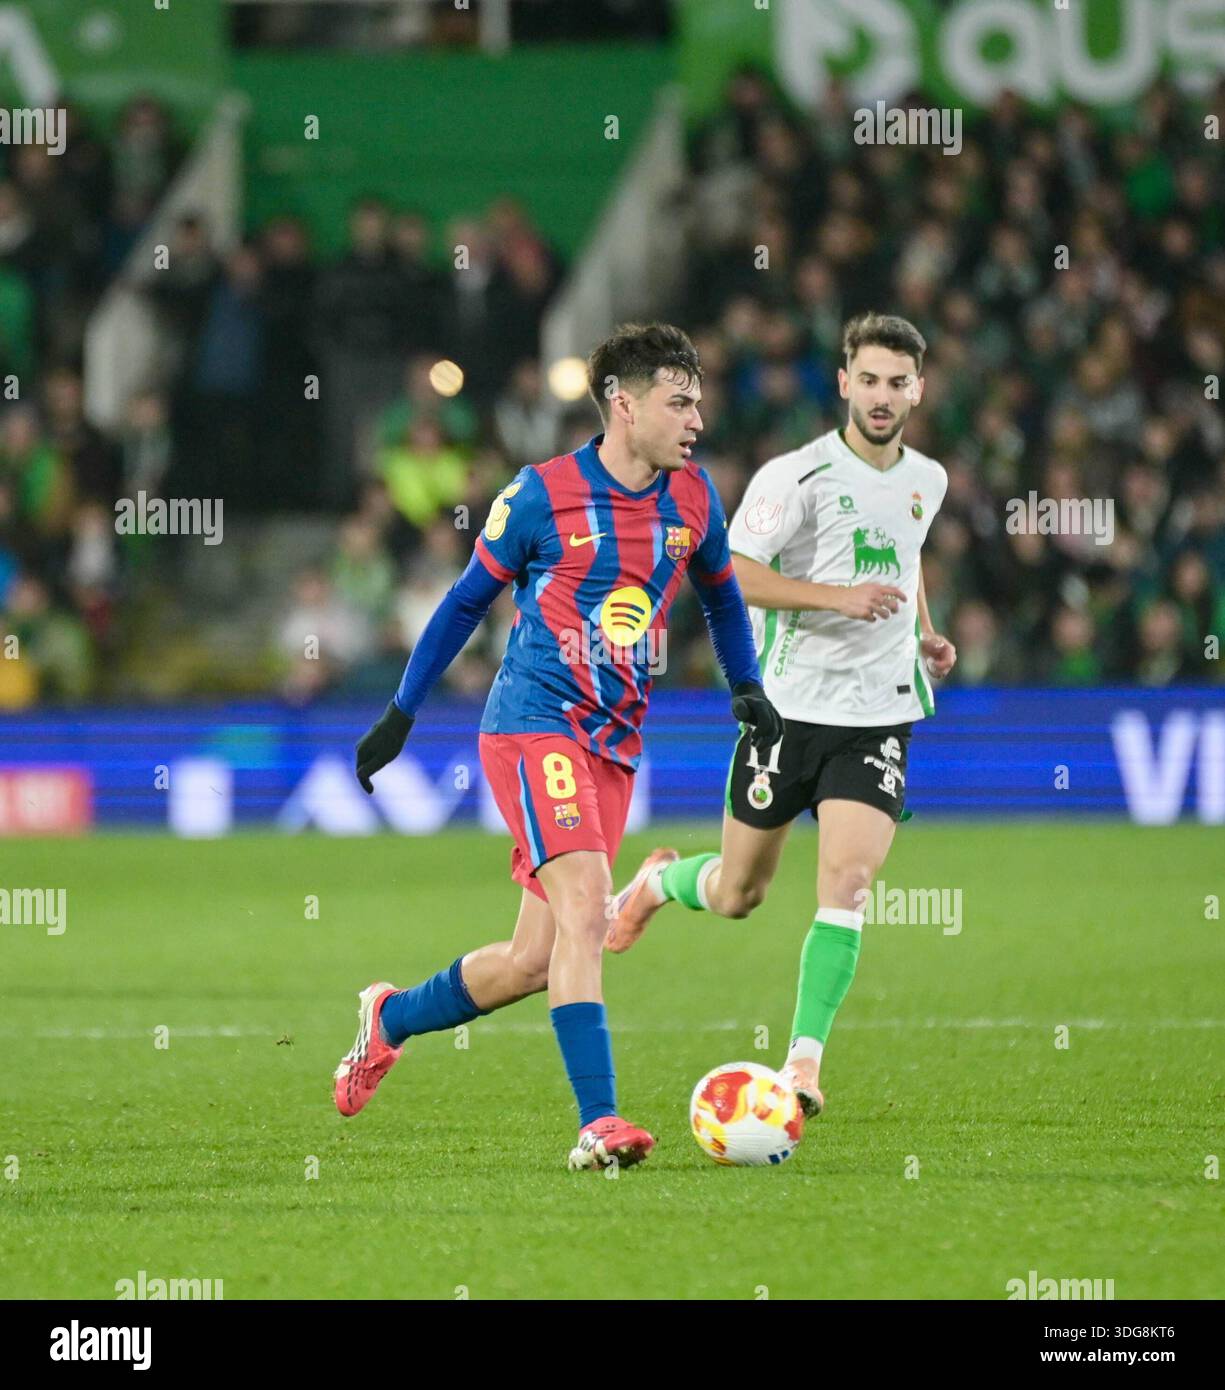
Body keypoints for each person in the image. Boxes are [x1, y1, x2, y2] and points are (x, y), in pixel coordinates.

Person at [332, 322, 782, 1170]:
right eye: (679, 403)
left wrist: (745, 686)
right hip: (533, 721)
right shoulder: (541, 493)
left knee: (534, 961)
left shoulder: (693, 498)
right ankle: (597, 1123)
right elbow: (465, 602)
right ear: (623, 406)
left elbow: (723, 599)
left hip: (612, 743)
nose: (696, 420)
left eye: (698, 403)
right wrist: (401, 711)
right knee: (585, 909)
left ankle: (389, 1017)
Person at [607, 312, 957, 1119]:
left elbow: (903, 557)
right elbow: (731, 575)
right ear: (842, 383)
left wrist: (924, 632)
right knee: (738, 893)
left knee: (848, 883)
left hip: (877, 716)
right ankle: (658, 882)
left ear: (917, 389)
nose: (880, 396)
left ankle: (802, 1062)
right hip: (787, 713)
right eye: (867, 380)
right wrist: (838, 598)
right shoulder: (794, 478)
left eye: (896, 382)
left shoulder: (927, 480)